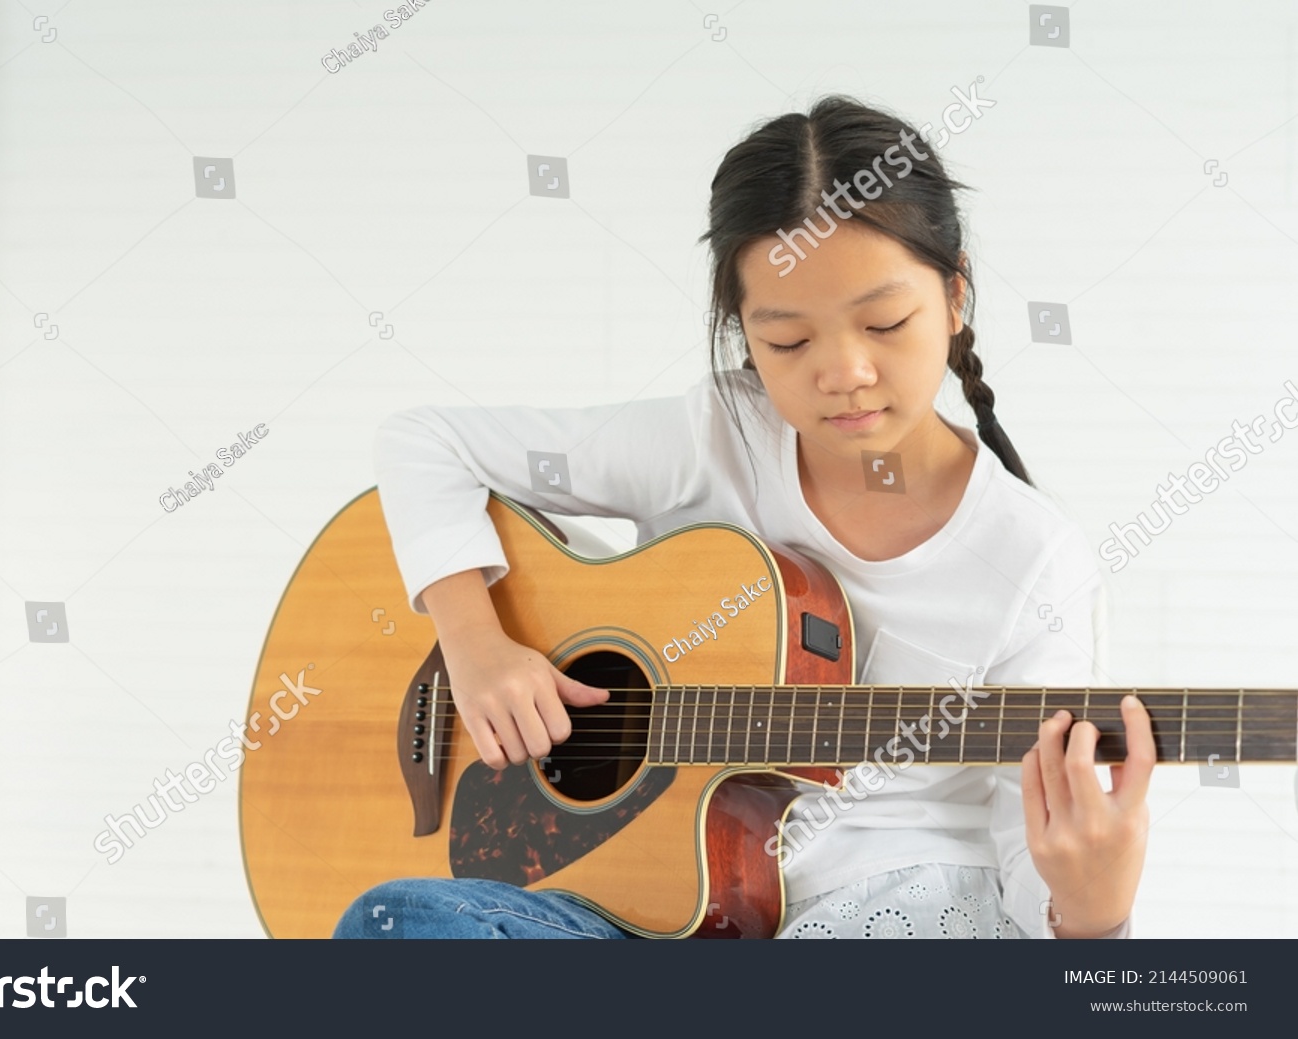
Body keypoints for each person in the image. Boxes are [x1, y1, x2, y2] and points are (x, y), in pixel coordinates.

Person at [333, 95, 1155, 940]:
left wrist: (1092, 909)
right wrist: (474, 644)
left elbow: (1028, 853)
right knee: (396, 921)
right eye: (788, 343)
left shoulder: (1035, 559)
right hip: (632, 908)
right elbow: (426, 443)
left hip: (885, 915)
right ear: (743, 336)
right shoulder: (718, 436)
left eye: (885, 322)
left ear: (955, 293)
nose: (843, 371)